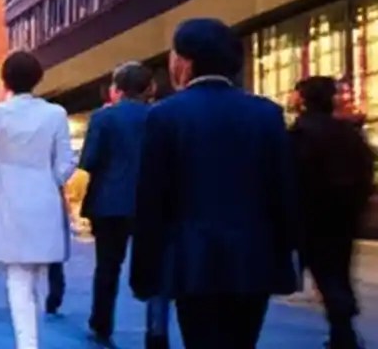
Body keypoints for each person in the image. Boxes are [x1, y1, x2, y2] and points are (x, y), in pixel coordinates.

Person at [130, 18, 298, 349]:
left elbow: (152, 201)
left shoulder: (166, 116)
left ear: (185, 61)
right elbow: (284, 193)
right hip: (254, 258)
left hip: (194, 260)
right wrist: (286, 256)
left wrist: (145, 271)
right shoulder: (266, 114)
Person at [0, 51, 76, 349]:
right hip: (44, 196)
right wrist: (49, 180)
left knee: (17, 277)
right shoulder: (56, 113)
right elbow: (67, 163)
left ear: (5, 80)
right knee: (41, 270)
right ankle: (33, 337)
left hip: (9, 198)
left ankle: (27, 342)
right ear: (38, 78)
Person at [290, 76, 375, 349]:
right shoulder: (348, 134)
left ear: (303, 100)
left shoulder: (300, 134)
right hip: (343, 216)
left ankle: (342, 327)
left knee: (324, 273)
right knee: (336, 270)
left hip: (311, 217)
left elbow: (292, 177)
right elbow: (365, 172)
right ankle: (343, 326)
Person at [78, 62, 153, 346]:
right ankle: (155, 328)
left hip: (108, 201)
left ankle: (101, 323)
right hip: (149, 201)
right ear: (150, 88)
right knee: (154, 266)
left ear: (117, 89)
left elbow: (89, 160)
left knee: (107, 266)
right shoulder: (158, 116)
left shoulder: (103, 118)